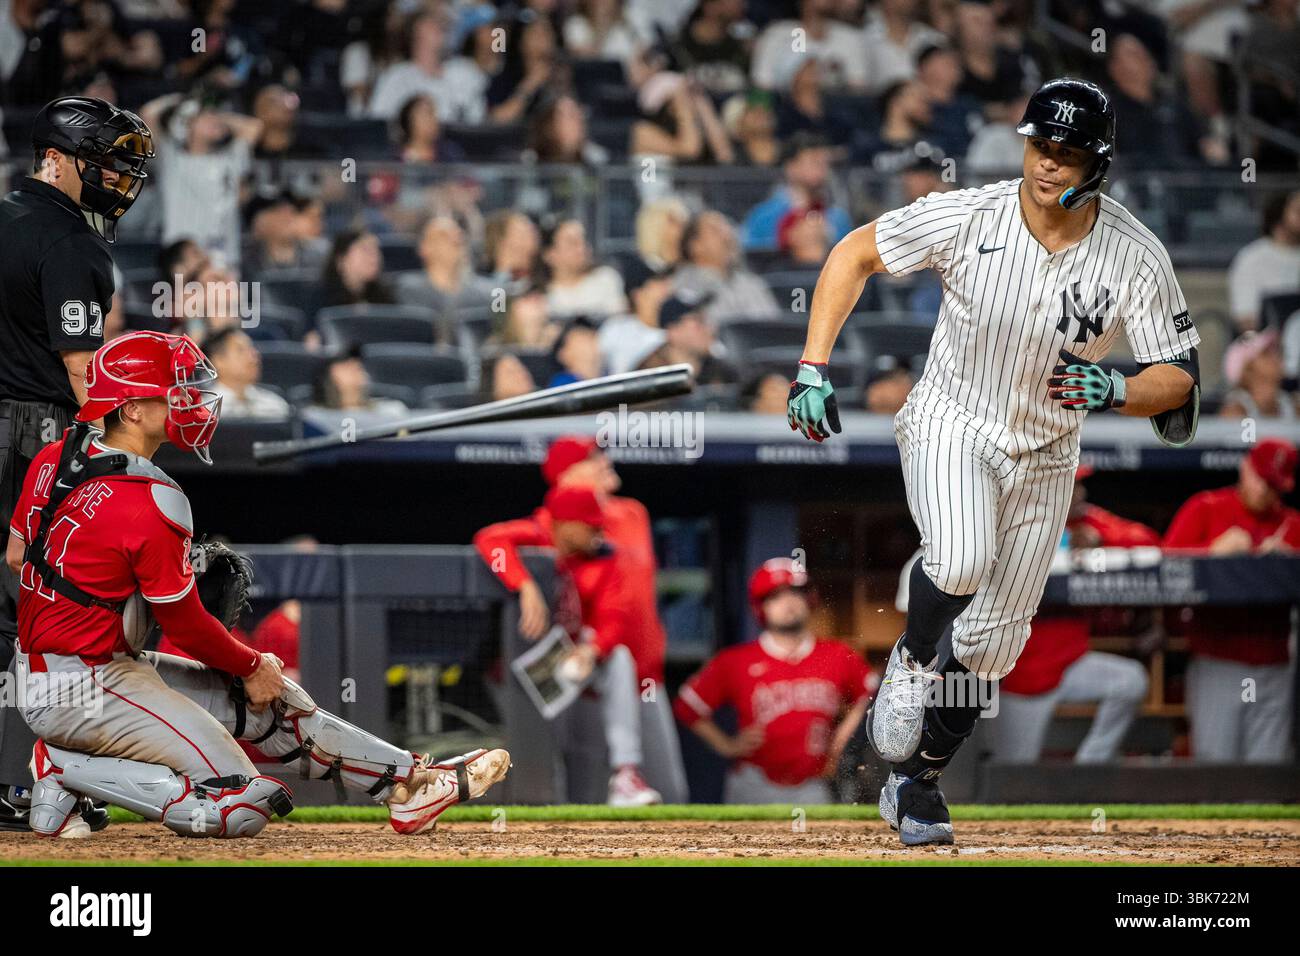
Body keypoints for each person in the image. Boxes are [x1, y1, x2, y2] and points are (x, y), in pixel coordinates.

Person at [788, 78, 1201, 845]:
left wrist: (1115, 386)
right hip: (953, 419)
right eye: (1040, 144)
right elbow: (854, 253)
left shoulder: (1135, 252)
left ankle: (917, 784)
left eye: (1068, 151)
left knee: (995, 643)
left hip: (1048, 449)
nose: (1048, 163)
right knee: (960, 554)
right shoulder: (970, 212)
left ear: (1097, 163)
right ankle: (910, 662)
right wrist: (813, 366)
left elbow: (1179, 381)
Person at [7, 331, 509, 837]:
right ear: (132, 409)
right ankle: (62, 770)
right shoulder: (153, 497)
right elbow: (184, 624)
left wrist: (107, 594)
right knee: (237, 803)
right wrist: (250, 662)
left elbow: (14, 557)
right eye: (174, 391)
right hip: (86, 684)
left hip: (76, 667)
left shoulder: (53, 459)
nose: (190, 402)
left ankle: (412, 785)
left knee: (275, 704)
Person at [0, 95, 153, 833]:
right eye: (105, 165)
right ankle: (26, 784)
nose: (118, 180)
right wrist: (117, 461)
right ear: (55, 161)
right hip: (33, 433)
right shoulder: (71, 239)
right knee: (37, 611)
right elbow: (84, 373)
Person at [473, 439, 687, 804]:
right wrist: (524, 584)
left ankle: (630, 787)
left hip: (634, 668)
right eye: (592, 458)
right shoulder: (548, 526)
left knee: (668, 789)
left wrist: (596, 647)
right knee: (577, 786)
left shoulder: (632, 514)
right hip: (576, 672)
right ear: (567, 476)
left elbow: (617, 608)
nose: (604, 460)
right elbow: (490, 539)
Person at [953, 465, 1156, 764]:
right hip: (1020, 676)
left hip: (1070, 665)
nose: (1081, 493)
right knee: (1013, 775)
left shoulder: (1086, 523)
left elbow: (1149, 541)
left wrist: (1102, 543)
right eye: (1072, 485)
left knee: (1131, 681)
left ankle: (1088, 765)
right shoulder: (1013, 521)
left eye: (1080, 485)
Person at [675, 558, 875, 804]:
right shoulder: (736, 660)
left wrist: (844, 738)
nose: (788, 602)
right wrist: (727, 745)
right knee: (741, 842)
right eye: (776, 596)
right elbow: (688, 705)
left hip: (813, 785)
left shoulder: (837, 655)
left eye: (796, 592)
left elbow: (874, 694)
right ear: (761, 607)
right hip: (753, 784)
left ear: (809, 599)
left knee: (817, 841)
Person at [1162, 438, 1299, 763]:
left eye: (1274, 486)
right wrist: (1211, 554)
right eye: (1261, 480)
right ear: (1245, 467)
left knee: (1268, 772)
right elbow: (1163, 569)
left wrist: (1290, 564)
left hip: (1274, 665)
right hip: (1217, 660)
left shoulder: (1292, 524)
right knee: (1214, 767)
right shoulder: (1206, 507)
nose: (1266, 491)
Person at [368, 9, 487, 123]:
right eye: (431, 25)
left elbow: (478, 120)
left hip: (459, 141)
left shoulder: (464, 71)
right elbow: (378, 120)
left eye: (439, 25)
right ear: (415, 35)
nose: (439, 28)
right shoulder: (396, 77)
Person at [741, 133, 852, 251]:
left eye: (825, 163)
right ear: (791, 168)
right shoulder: (764, 216)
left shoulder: (838, 218)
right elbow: (752, 254)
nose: (822, 169)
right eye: (814, 162)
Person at [675, 211, 780, 321]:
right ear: (695, 246)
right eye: (716, 230)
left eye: (727, 227)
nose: (727, 235)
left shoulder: (752, 284)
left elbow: (771, 327)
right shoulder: (680, 286)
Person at [1229, 189, 1300, 333]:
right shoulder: (1252, 258)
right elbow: (1246, 319)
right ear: (1278, 217)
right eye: (1298, 211)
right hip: (1269, 347)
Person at [540, 218, 628, 321]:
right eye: (572, 243)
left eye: (584, 240)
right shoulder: (541, 295)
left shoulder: (605, 279)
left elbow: (619, 325)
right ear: (550, 255)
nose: (582, 248)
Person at [646, 294, 738, 385]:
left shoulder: (722, 374)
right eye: (699, 322)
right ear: (673, 332)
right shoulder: (650, 380)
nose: (711, 329)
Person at [204, 328, 291, 419]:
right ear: (218, 361)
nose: (253, 356)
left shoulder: (276, 406)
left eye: (252, 349)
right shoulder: (206, 411)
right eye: (241, 350)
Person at [1218, 329, 1297, 420]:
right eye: (1265, 353)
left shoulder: (1289, 405)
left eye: (1274, 351)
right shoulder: (1234, 411)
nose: (1274, 356)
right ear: (1247, 371)